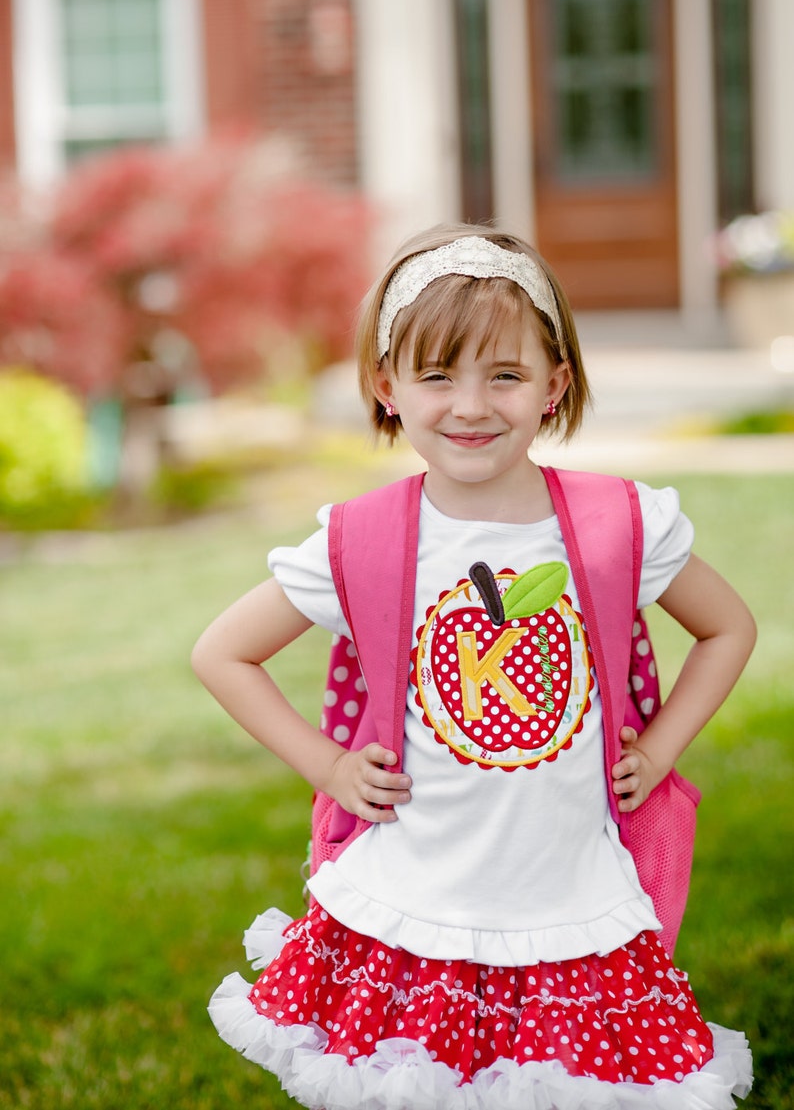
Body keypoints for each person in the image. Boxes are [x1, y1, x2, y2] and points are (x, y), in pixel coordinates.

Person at [192, 223, 757, 1109]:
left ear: (553, 383)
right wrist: (330, 766)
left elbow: (728, 628)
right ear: (387, 387)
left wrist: (660, 746)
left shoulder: (619, 524)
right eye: (437, 376)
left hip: (568, 898)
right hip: (413, 898)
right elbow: (221, 652)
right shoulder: (363, 539)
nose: (471, 405)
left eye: (505, 374)